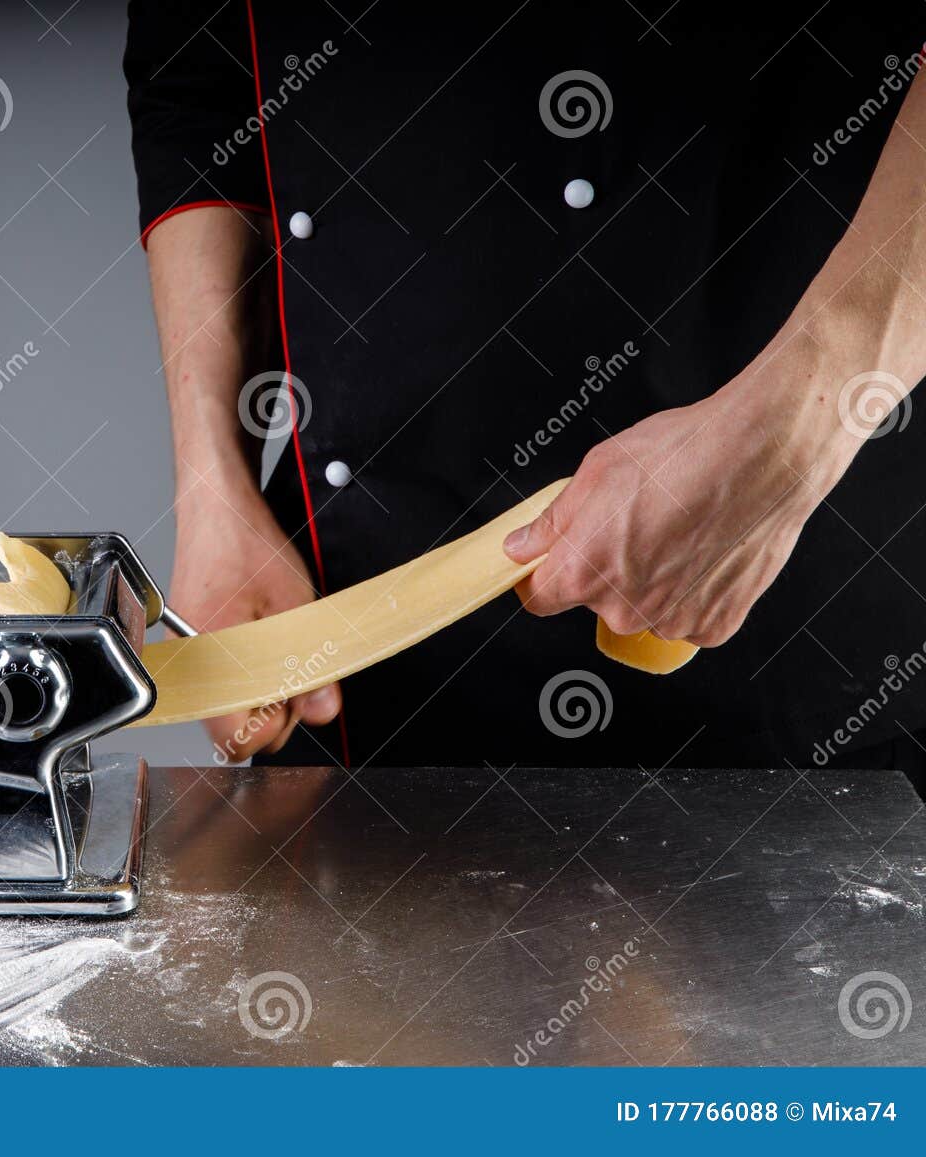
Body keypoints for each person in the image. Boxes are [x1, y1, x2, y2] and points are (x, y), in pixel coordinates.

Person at [125, 2, 926, 783]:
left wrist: (785, 440)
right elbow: (200, 87)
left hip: (792, 617)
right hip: (355, 654)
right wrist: (213, 492)